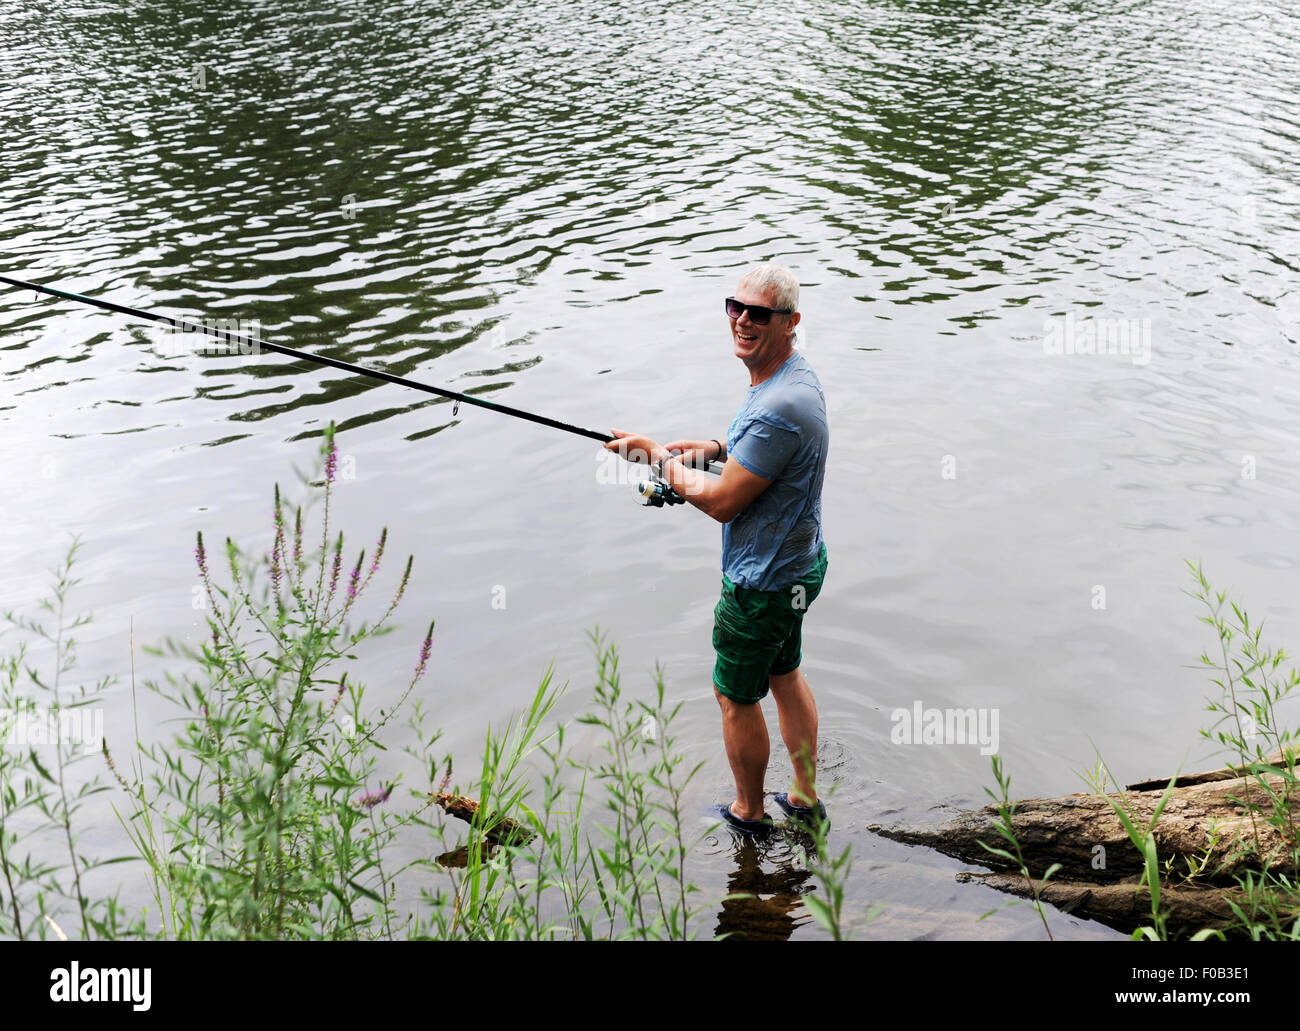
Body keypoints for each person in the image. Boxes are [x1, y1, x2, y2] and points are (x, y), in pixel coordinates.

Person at [604, 262, 830, 834]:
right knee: (785, 673)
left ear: (790, 322)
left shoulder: (780, 404)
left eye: (760, 313)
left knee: (734, 694)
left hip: (762, 584)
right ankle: (803, 797)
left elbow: (724, 503)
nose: (744, 321)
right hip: (801, 568)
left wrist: (657, 460)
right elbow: (760, 443)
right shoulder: (792, 380)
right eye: (736, 308)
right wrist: (711, 448)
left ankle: (748, 813)